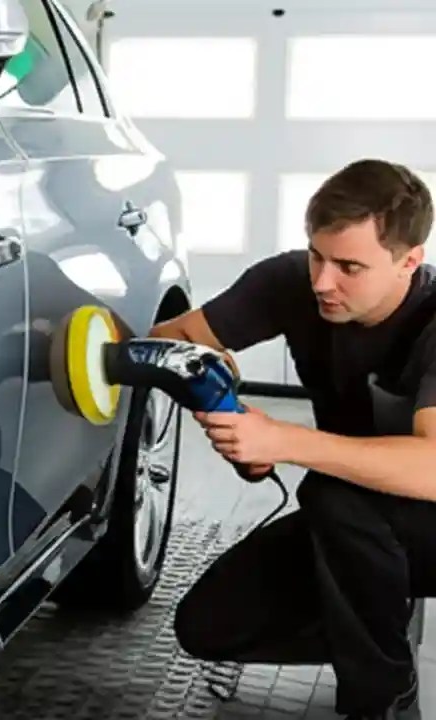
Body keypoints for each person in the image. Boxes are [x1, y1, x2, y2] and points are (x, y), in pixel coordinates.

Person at [151, 158, 436, 720]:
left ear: (409, 261)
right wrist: (215, 389)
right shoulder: (292, 283)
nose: (322, 282)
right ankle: (377, 619)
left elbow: (432, 468)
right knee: (208, 626)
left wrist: (280, 440)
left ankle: (383, 695)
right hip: (357, 528)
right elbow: (172, 340)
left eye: (349, 266)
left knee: (337, 498)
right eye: (316, 255)